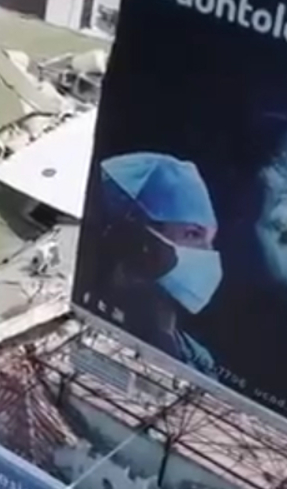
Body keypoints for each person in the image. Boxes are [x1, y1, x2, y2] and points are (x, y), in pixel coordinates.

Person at [90, 152, 224, 374]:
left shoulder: (197, 358)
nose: (208, 253)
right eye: (193, 234)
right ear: (141, 236)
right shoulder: (89, 317)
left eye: (211, 240)